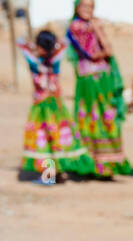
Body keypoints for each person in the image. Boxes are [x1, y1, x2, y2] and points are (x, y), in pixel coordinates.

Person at [65, 1, 131, 178]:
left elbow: (108, 50)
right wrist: (99, 38)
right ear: (77, 8)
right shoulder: (75, 27)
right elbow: (92, 54)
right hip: (88, 79)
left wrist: (98, 30)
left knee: (107, 116)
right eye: (84, 6)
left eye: (91, 7)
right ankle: (90, 164)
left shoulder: (95, 24)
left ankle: (109, 163)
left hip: (103, 79)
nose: (88, 10)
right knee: (91, 117)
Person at [19, 29, 95, 181]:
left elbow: (21, 43)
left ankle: (54, 172)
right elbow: (64, 42)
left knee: (48, 139)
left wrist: (34, 46)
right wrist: (53, 46)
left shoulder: (34, 61)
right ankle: (55, 172)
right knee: (55, 138)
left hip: (43, 105)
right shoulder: (55, 59)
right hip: (54, 104)